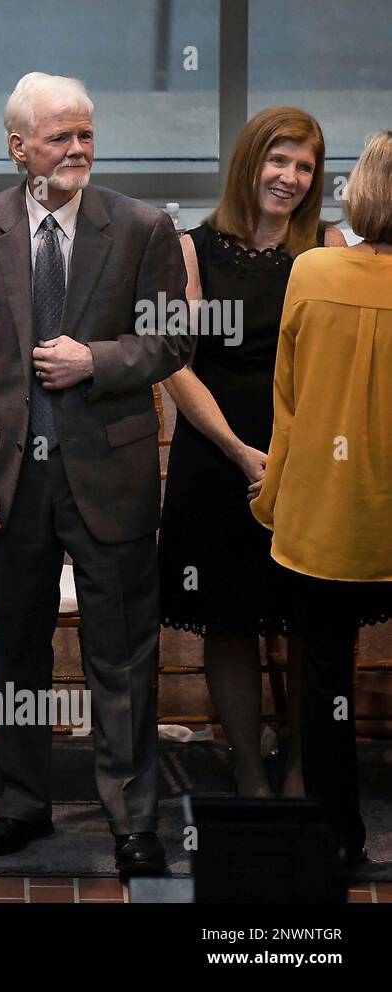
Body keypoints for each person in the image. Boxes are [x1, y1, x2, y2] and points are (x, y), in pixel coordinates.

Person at [0, 72, 192, 877]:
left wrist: (100, 359)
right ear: (19, 148)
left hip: (109, 475)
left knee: (122, 653)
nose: (78, 149)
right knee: (19, 650)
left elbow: (173, 340)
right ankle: (22, 802)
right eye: (60, 137)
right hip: (12, 484)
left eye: (85, 134)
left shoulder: (142, 226)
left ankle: (134, 819)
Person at [159, 108, 346, 798]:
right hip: (217, 457)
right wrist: (241, 453)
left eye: (304, 167)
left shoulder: (328, 247)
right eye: (279, 161)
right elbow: (177, 363)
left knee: (308, 624)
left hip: (309, 461)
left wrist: (298, 455)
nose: (291, 178)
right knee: (228, 619)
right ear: (249, 164)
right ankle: (245, 767)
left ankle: (301, 769)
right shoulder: (191, 249)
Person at [251, 129, 392, 869]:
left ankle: (340, 835)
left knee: (326, 678)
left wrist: (272, 500)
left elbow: (289, 405)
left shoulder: (310, 271)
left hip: (323, 516)